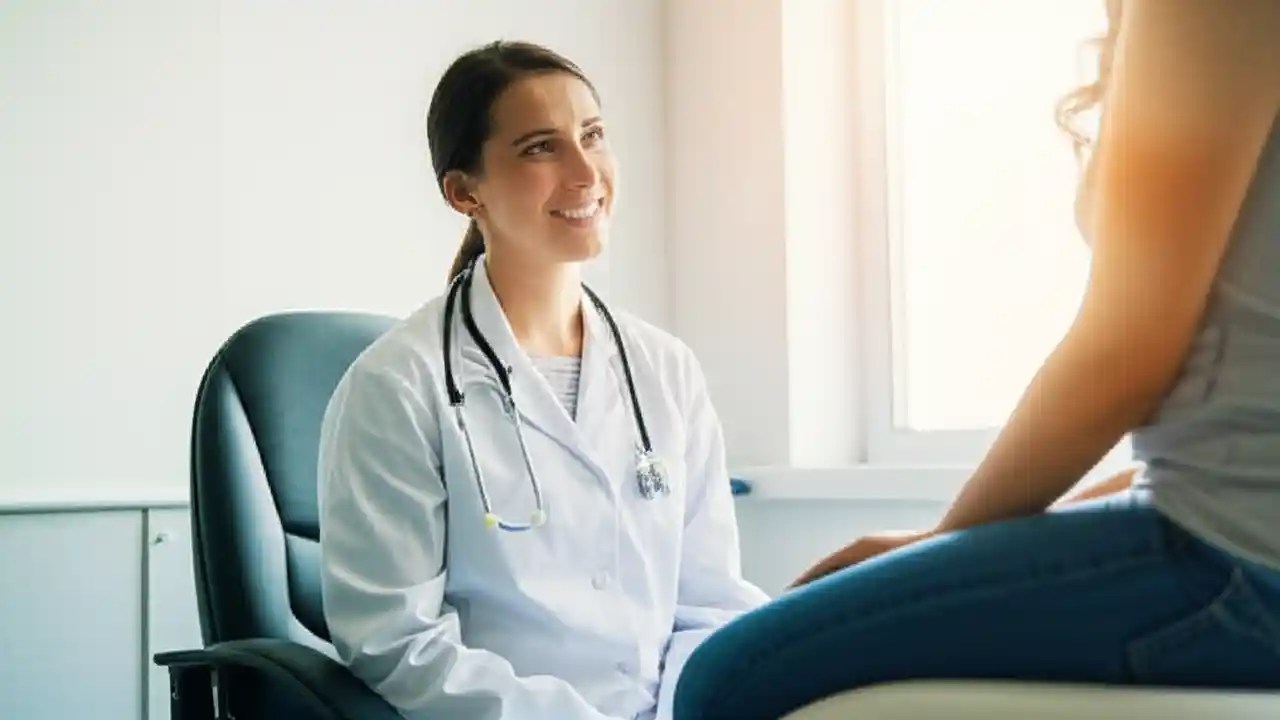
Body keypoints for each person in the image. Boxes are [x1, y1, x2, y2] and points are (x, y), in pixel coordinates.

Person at [673, 1, 1280, 717]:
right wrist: (948, 542)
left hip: (1236, 566)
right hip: (1236, 540)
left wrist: (943, 540)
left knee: (730, 679)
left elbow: (1125, 360)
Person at [317, 41, 767, 720]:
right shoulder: (398, 384)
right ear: (464, 191)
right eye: (540, 148)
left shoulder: (665, 370)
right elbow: (393, 640)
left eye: (592, 135)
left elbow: (709, 601)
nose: (586, 172)